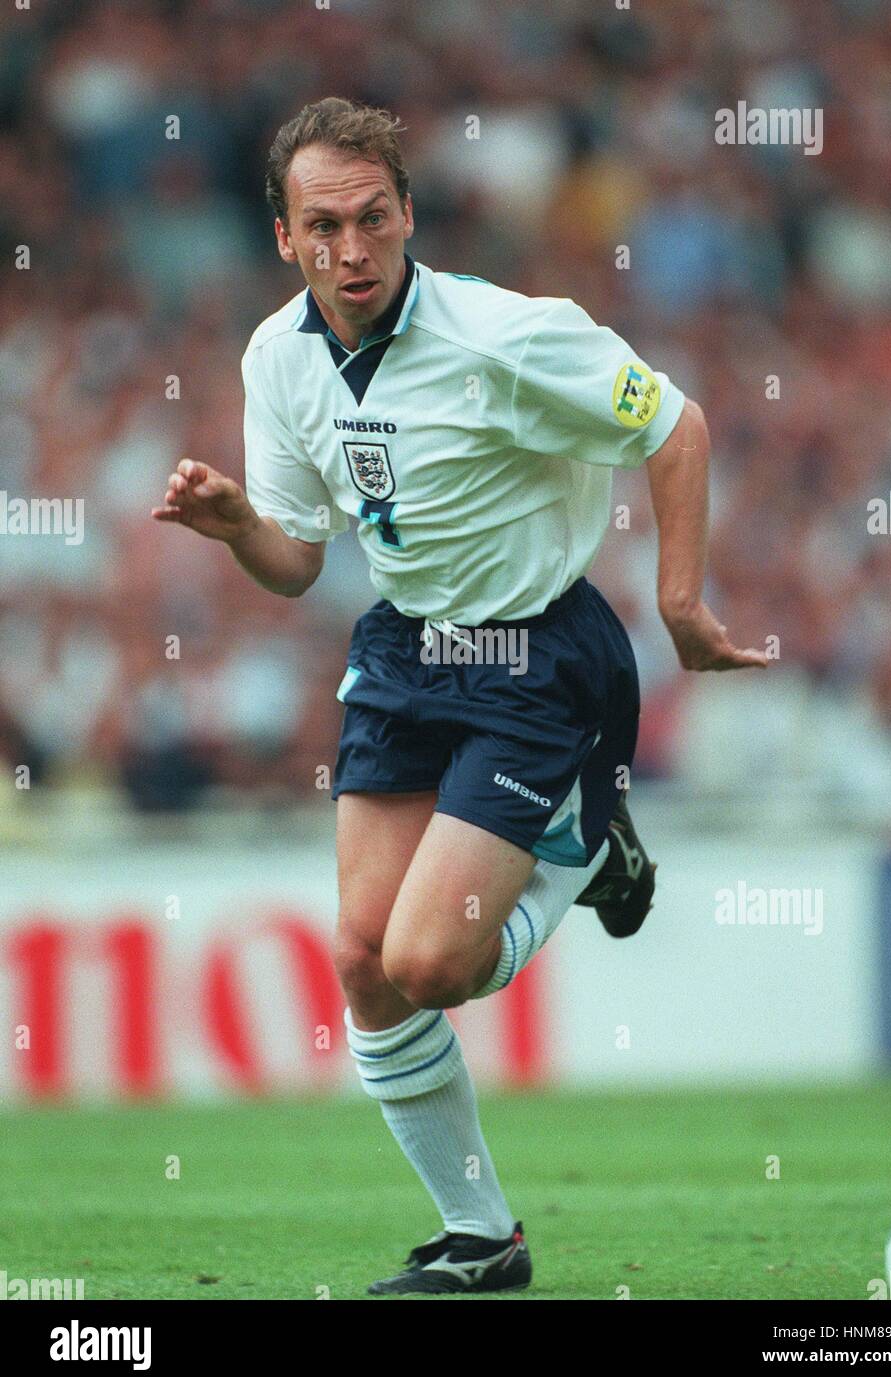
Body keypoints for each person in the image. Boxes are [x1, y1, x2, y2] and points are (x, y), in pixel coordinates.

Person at [152, 97, 767, 1295]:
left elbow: (676, 425)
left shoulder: (506, 334)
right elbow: (297, 559)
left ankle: (584, 857)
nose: (350, 249)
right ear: (283, 238)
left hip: (538, 654)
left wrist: (681, 601)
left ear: (406, 215)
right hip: (403, 649)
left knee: (430, 960)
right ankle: (483, 1242)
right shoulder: (276, 357)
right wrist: (236, 526)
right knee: (362, 958)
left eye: (371, 219)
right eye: (321, 226)